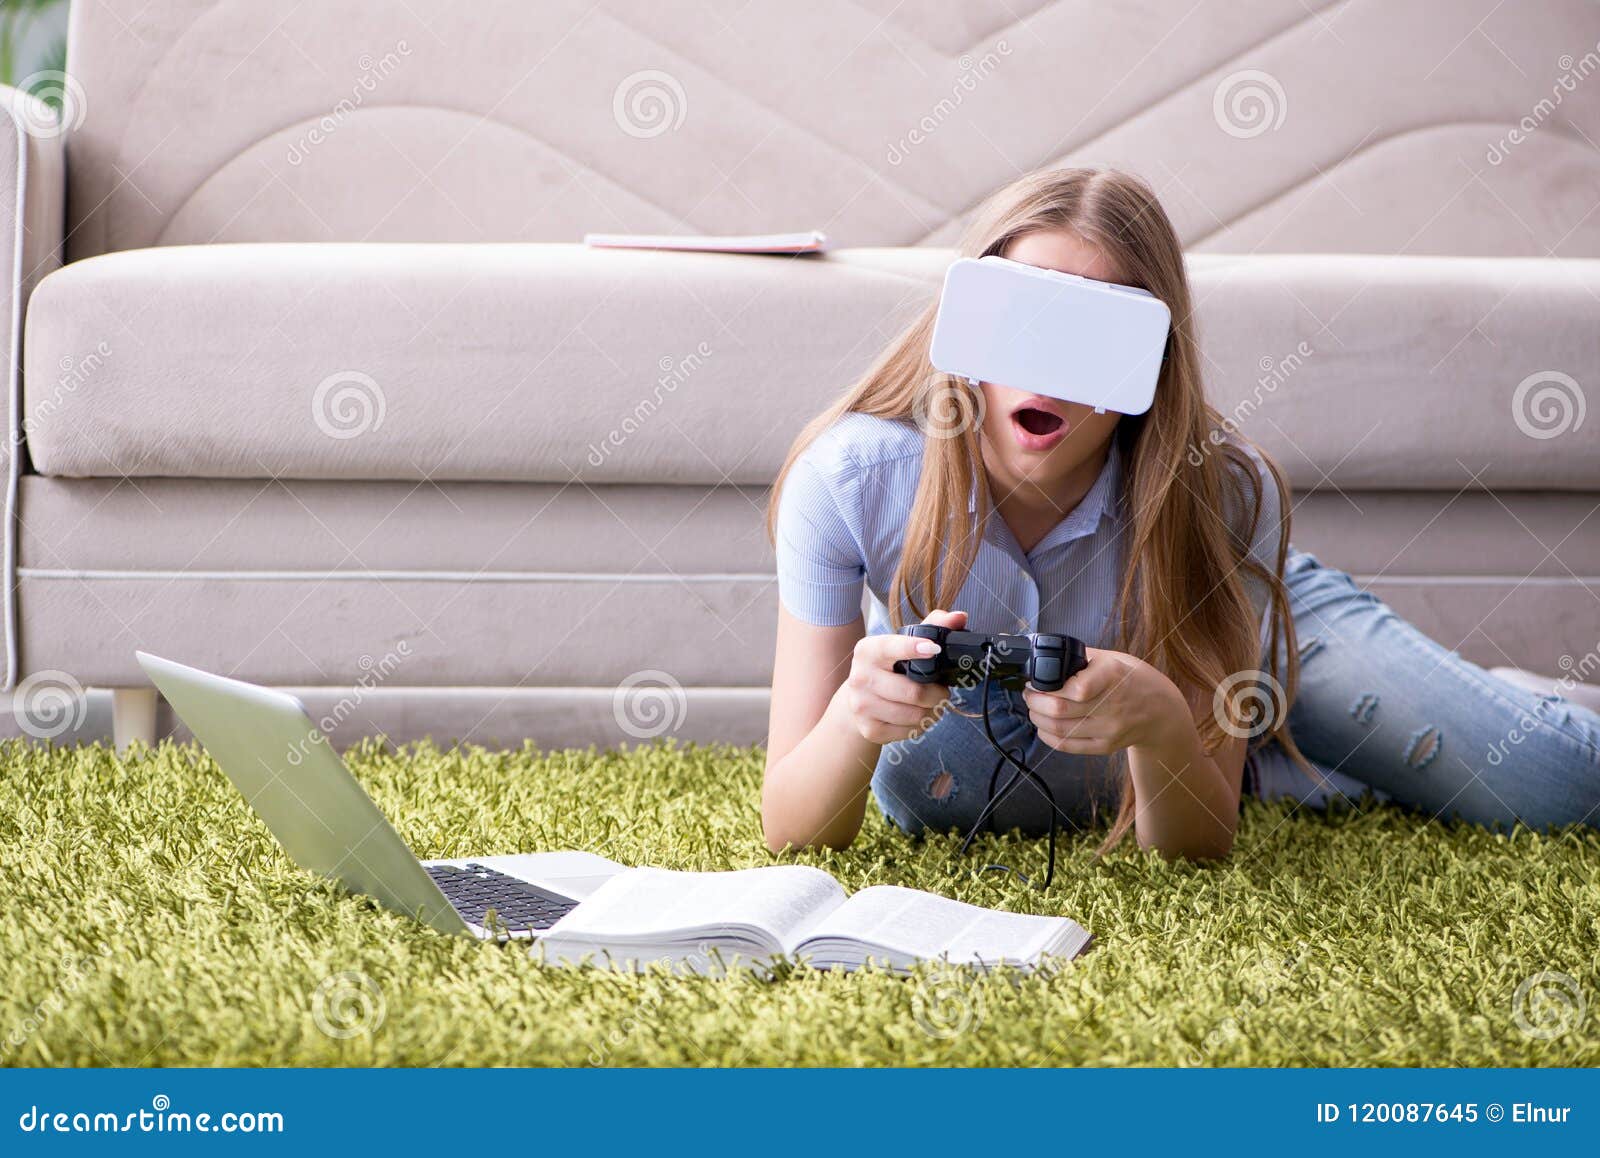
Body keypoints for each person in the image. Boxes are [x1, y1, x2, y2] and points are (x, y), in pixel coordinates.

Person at [760, 166, 1600, 861]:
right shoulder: (849, 479)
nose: (1046, 375)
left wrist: (1167, 723)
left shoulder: (1225, 496)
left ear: (1150, 363)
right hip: (1154, 689)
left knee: (1561, 786)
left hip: (1253, 610)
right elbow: (792, 832)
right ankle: (1280, 758)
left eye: (1094, 337)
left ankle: (1479, 704)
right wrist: (852, 718)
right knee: (937, 786)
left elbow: (1198, 849)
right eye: (1023, 319)